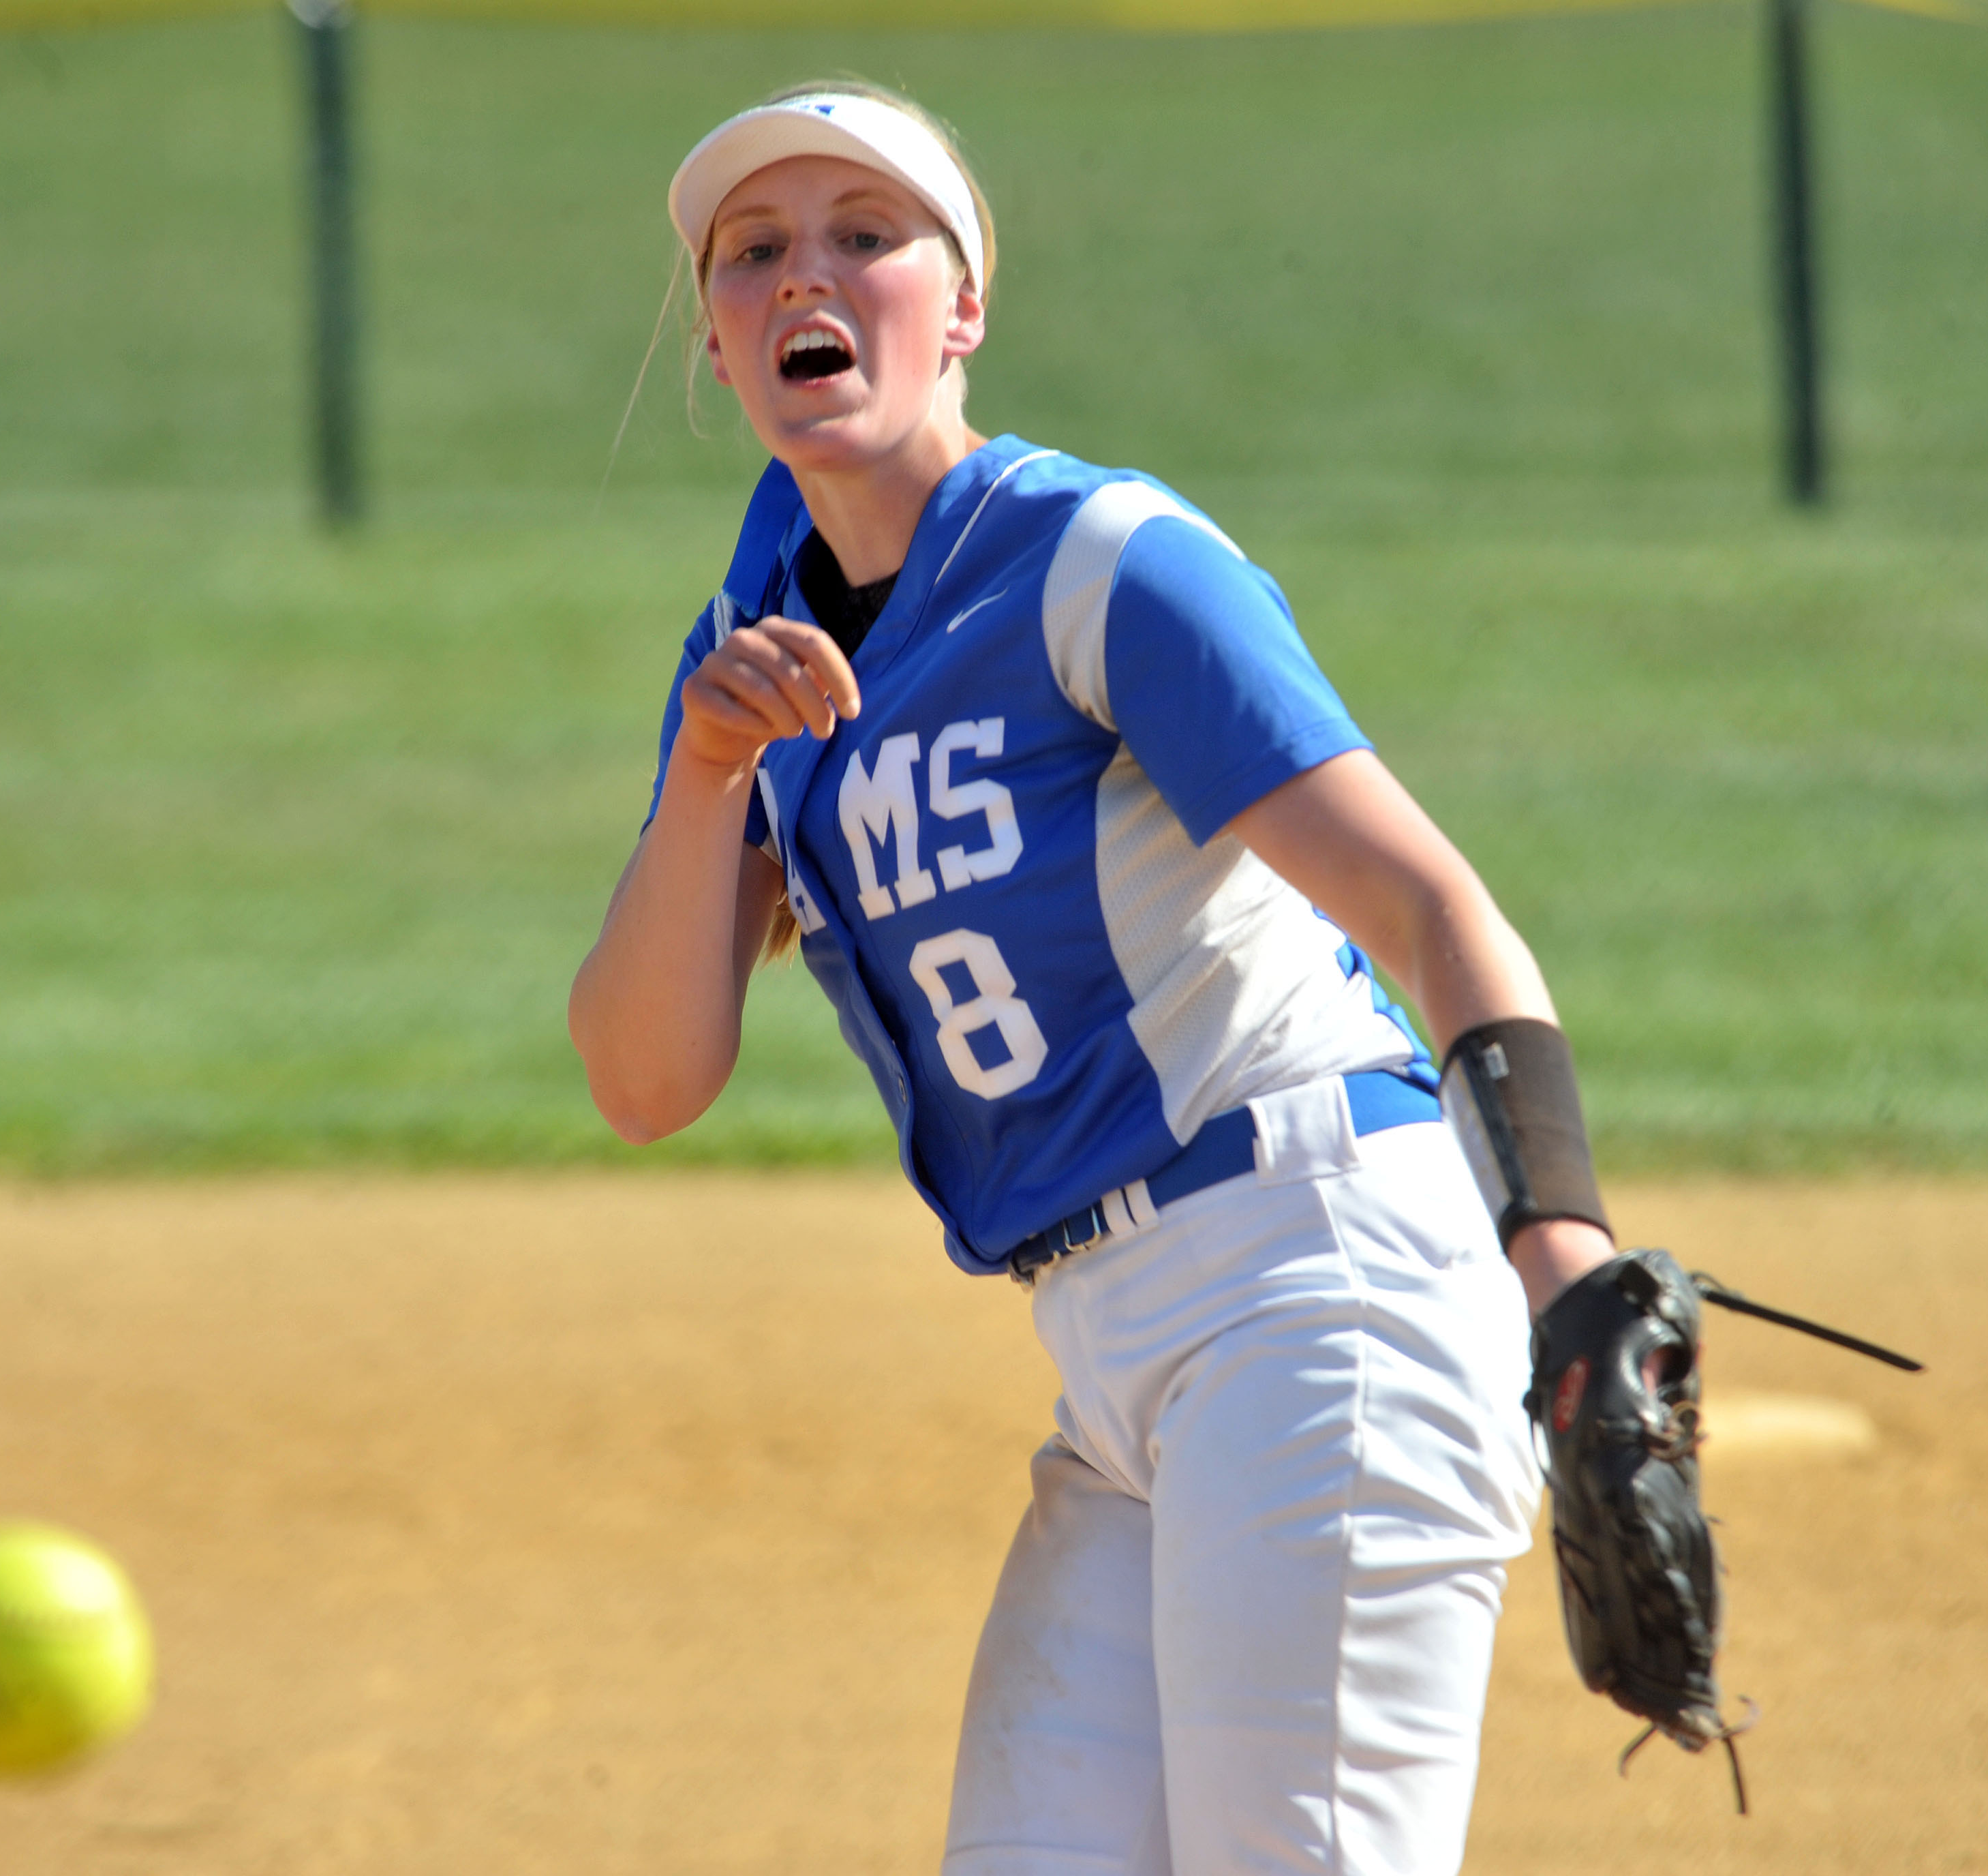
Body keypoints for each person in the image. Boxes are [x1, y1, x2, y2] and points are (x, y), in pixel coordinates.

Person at [570, 80, 1625, 1876]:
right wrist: (700, 776)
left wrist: (1573, 1286)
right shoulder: (762, 640)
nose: (802, 273)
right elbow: (644, 1080)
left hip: (1317, 1296)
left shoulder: (1102, 562)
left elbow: (1429, 905)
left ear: (959, 307)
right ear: (720, 341)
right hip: (1121, 1380)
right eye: (753, 253)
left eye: (864, 235)